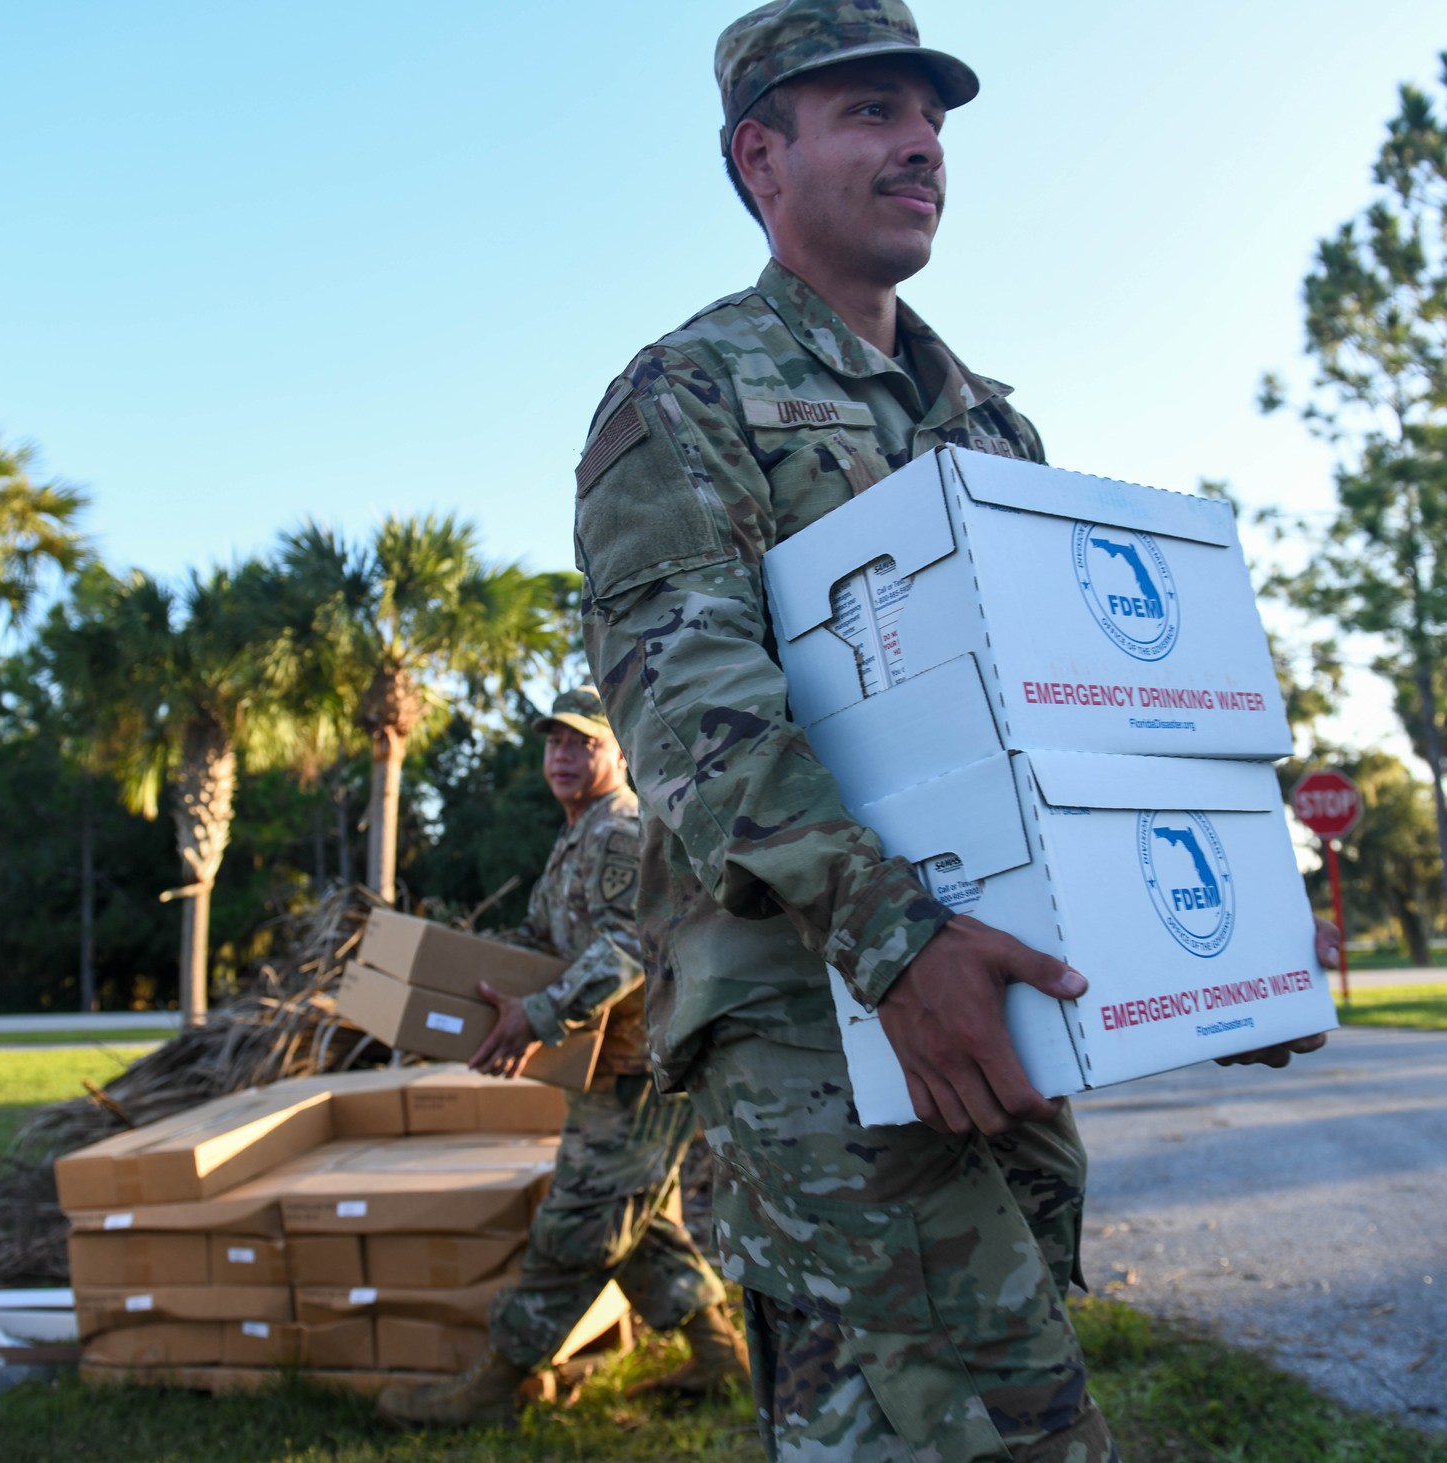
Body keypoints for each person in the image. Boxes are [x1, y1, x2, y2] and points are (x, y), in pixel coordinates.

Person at [570, 4, 1339, 1459]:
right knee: (991, 1418)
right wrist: (892, 934)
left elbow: (1063, 720)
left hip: (988, 1000)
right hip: (819, 1010)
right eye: (868, 111)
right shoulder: (687, 393)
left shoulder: (991, 427)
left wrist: (1218, 948)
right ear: (760, 155)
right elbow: (688, 708)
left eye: (928, 119)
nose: (921, 143)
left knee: (924, 1401)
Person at [375, 686, 745, 1429]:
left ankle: (491, 1387)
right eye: (554, 743)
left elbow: (627, 944)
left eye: (582, 743)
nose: (564, 756)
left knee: (578, 1223)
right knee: (632, 1220)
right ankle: (719, 1359)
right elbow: (544, 945)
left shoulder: (620, 829)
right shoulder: (575, 837)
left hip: (646, 1070)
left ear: (617, 752)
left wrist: (537, 1017)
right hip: (607, 1070)